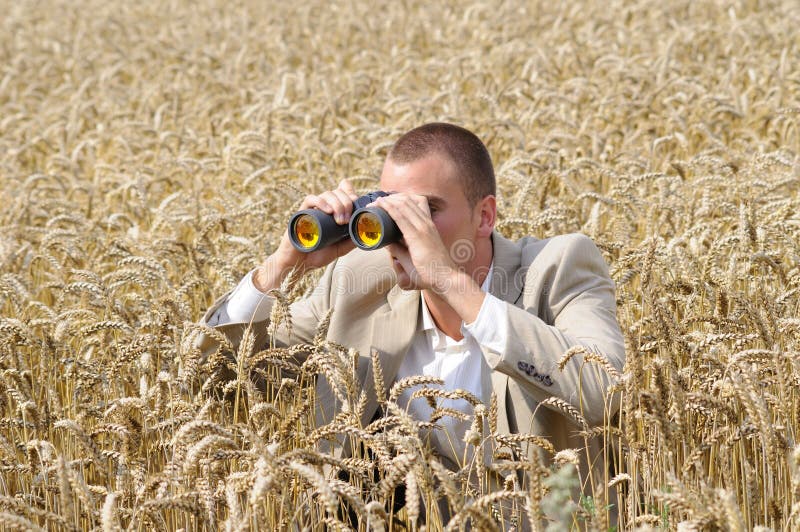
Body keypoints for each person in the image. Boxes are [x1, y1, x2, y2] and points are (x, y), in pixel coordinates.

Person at [197, 122, 625, 525]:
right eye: (391, 210)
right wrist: (284, 265)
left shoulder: (556, 268)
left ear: (485, 216)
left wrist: (449, 281)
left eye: (425, 210)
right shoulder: (358, 282)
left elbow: (605, 390)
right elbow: (214, 382)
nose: (404, 230)